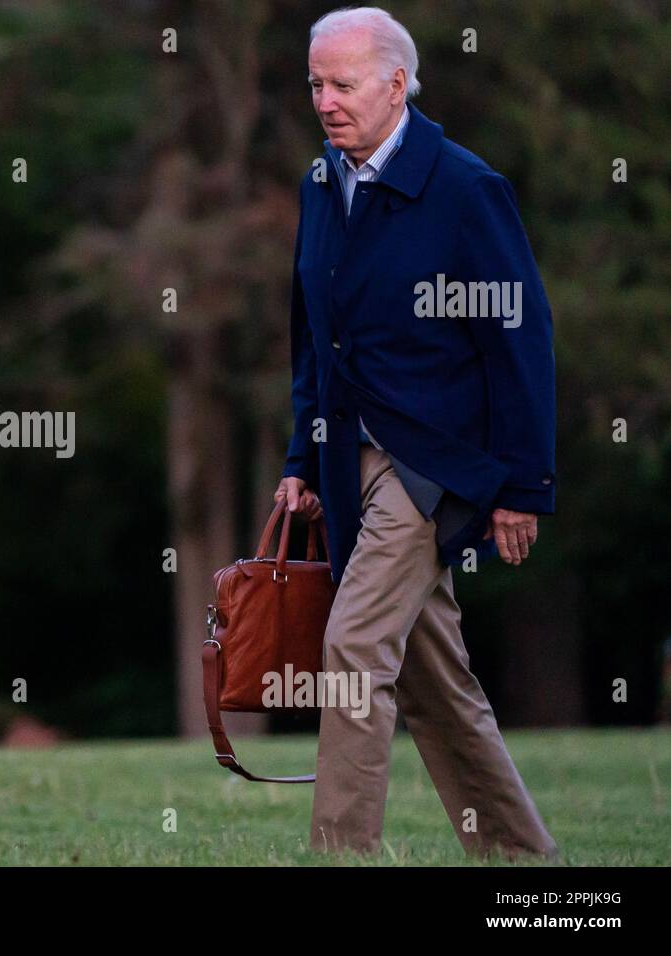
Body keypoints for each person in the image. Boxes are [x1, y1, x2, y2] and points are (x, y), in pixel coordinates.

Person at [275, 7, 558, 859]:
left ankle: (340, 855)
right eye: (316, 84)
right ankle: (524, 863)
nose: (326, 101)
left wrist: (522, 484)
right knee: (438, 686)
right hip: (345, 455)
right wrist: (300, 458)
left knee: (354, 646)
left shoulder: (467, 189)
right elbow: (311, 340)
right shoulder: (321, 184)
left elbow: (521, 341)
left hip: (437, 463)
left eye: (344, 84)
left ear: (397, 84)